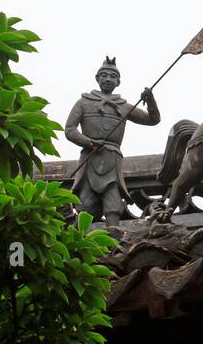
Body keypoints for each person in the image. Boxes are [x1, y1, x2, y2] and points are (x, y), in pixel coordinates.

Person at [65, 57, 160, 226]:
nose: (108, 79)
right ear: (97, 78)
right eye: (104, 75)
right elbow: (70, 130)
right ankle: (77, 240)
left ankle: (115, 240)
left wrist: (150, 100)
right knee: (85, 202)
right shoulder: (83, 102)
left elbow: (153, 119)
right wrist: (89, 142)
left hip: (112, 159)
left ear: (118, 81)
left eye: (112, 76)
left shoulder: (123, 106)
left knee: (113, 202)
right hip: (90, 157)